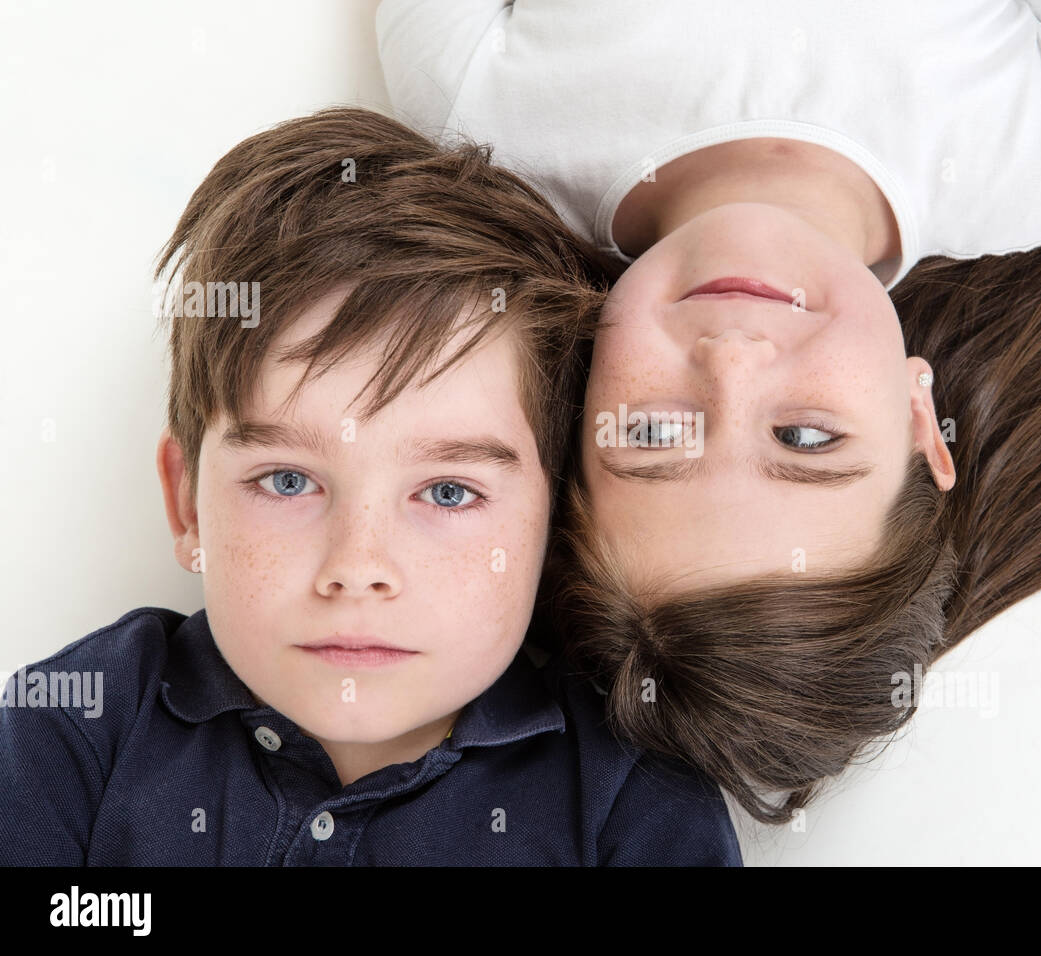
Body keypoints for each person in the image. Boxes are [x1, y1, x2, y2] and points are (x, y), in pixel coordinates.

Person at [377, 2, 1041, 825]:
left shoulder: (477, 106)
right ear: (918, 423)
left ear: (572, 413)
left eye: (656, 434)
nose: (732, 361)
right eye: (805, 437)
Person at [0, 107, 742, 865]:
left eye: (449, 492)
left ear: (553, 523)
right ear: (189, 504)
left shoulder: (631, 793)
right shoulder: (76, 729)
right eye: (287, 481)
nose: (357, 567)